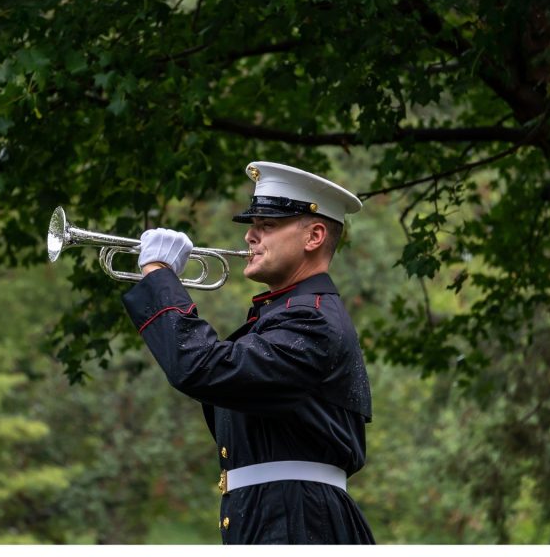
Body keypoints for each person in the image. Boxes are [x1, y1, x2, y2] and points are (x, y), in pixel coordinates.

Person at [121, 161, 374, 544]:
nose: (251, 237)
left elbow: (201, 368)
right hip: (274, 513)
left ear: (315, 235)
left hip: (297, 520)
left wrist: (160, 277)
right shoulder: (282, 316)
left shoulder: (312, 320)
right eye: (252, 226)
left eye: (267, 226)